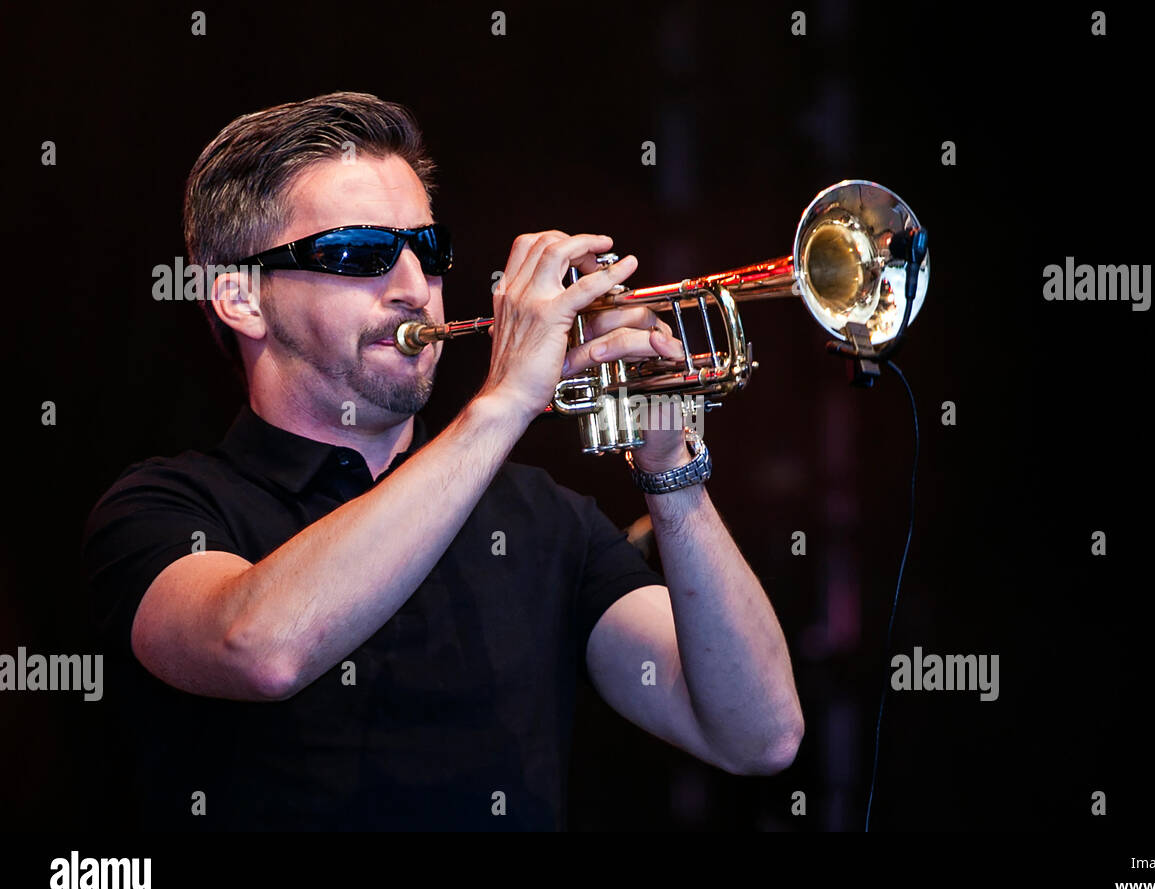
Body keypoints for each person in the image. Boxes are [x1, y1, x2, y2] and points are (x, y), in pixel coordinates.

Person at [80, 92, 803, 830]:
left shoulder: (542, 517)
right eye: (357, 252)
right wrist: (505, 401)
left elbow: (758, 733)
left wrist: (669, 470)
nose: (409, 289)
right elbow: (260, 648)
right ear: (241, 298)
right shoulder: (162, 509)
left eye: (426, 251)